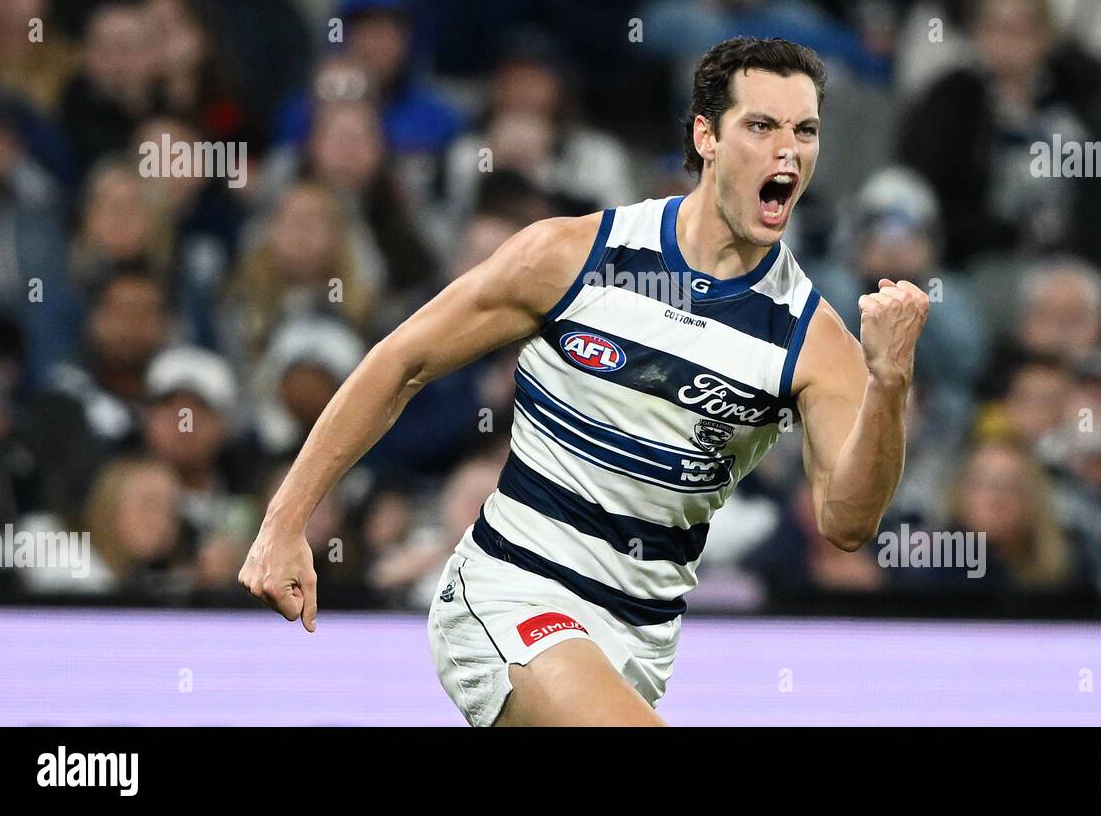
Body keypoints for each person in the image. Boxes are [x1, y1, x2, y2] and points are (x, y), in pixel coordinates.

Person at [239, 37, 930, 726]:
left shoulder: (811, 338)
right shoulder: (573, 256)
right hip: (510, 596)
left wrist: (889, 383)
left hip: (637, 645)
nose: (788, 151)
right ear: (706, 136)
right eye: (761, 126)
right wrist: (285, 521)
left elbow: (848, 520)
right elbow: (400, 362)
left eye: (804, 131)